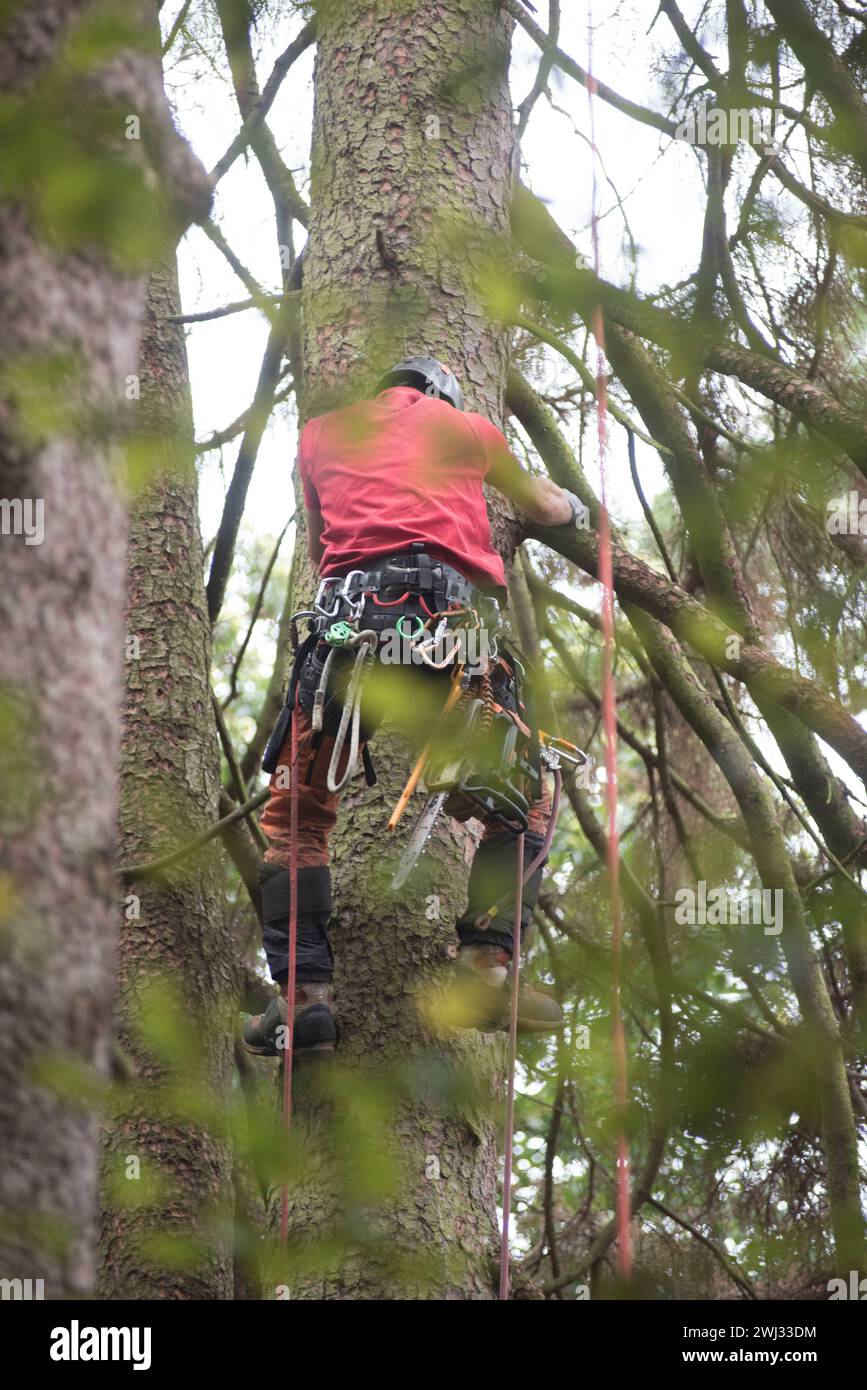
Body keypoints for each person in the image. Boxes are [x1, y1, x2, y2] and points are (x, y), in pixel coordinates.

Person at [243, 356, 585, 1057]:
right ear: (439, 396)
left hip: (346, 635)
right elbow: (544, 506)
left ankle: (304, 1003)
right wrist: (576, 510)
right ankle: (484, 971)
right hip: (450, 639)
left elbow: (320, 547)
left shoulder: (318, 434)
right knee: (526, 799)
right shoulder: (468, 430)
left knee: (296, 823)